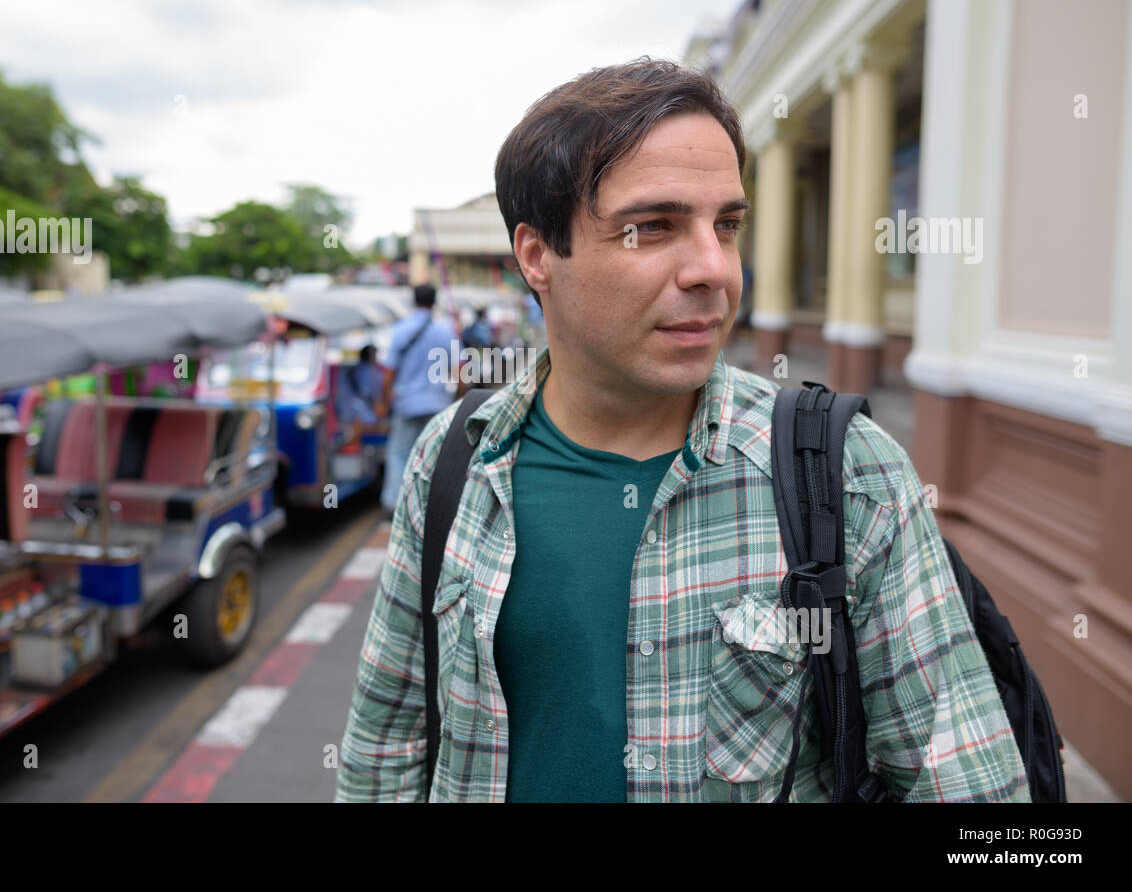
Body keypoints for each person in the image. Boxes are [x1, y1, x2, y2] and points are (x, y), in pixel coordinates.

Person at [338, 58, 1029, 803]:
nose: (715, 268)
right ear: (538, 255)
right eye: (652, 227)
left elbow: (972, 791)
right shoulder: (454, 462)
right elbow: (383, 755)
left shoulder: (844, 472)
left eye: (726, 225)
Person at [377, 284, 456, 518]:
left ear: (413, 301)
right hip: (437, 403)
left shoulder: (400, 330)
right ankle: (432, 503)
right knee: (434, 453)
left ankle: (394, 502)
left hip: (406, 403)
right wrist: (457, 399)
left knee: (399, 452)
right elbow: (461, 370)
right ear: (434, 302)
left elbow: (389, 372)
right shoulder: (445, 331)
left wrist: (384, 401)